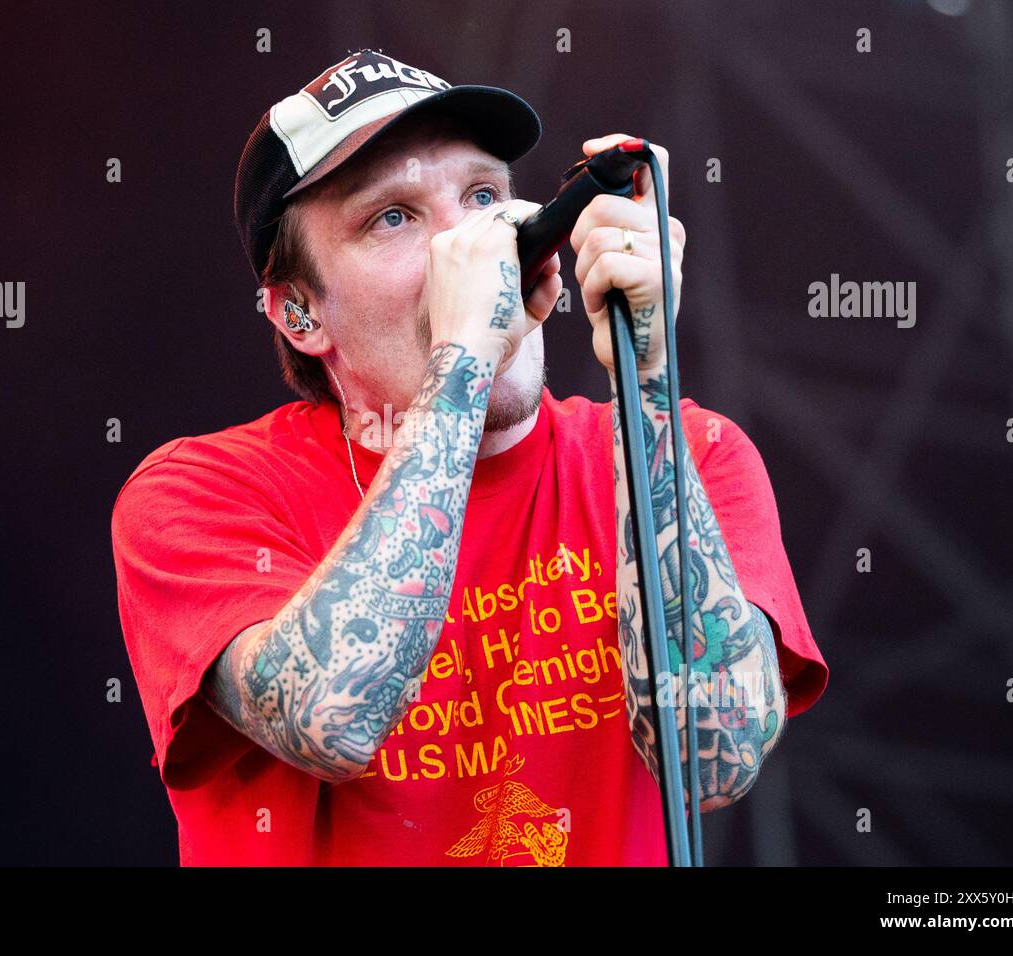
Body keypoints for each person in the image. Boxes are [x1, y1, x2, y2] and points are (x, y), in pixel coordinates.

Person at [110, 49, 828, 866]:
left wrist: (651, 376)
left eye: (486, 197)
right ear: (301, 313)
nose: (476, 244)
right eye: (393, 216)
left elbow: (714, 756)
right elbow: (331, 715)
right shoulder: (198, 493)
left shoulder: (688, 448)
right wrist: (460, 361)